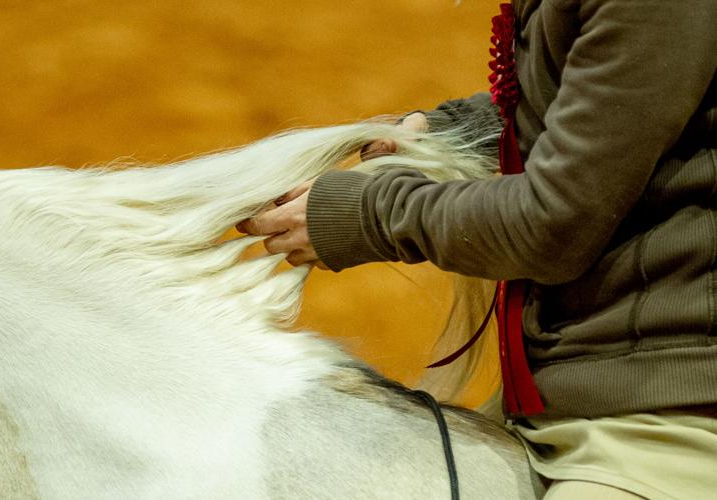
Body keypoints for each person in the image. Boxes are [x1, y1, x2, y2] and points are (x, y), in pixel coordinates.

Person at [238, 1, 717, 498]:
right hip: (574, 396)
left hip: (662, 423)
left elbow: (554, 224)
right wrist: (461, 133)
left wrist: (364, 214)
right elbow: (617, 94)